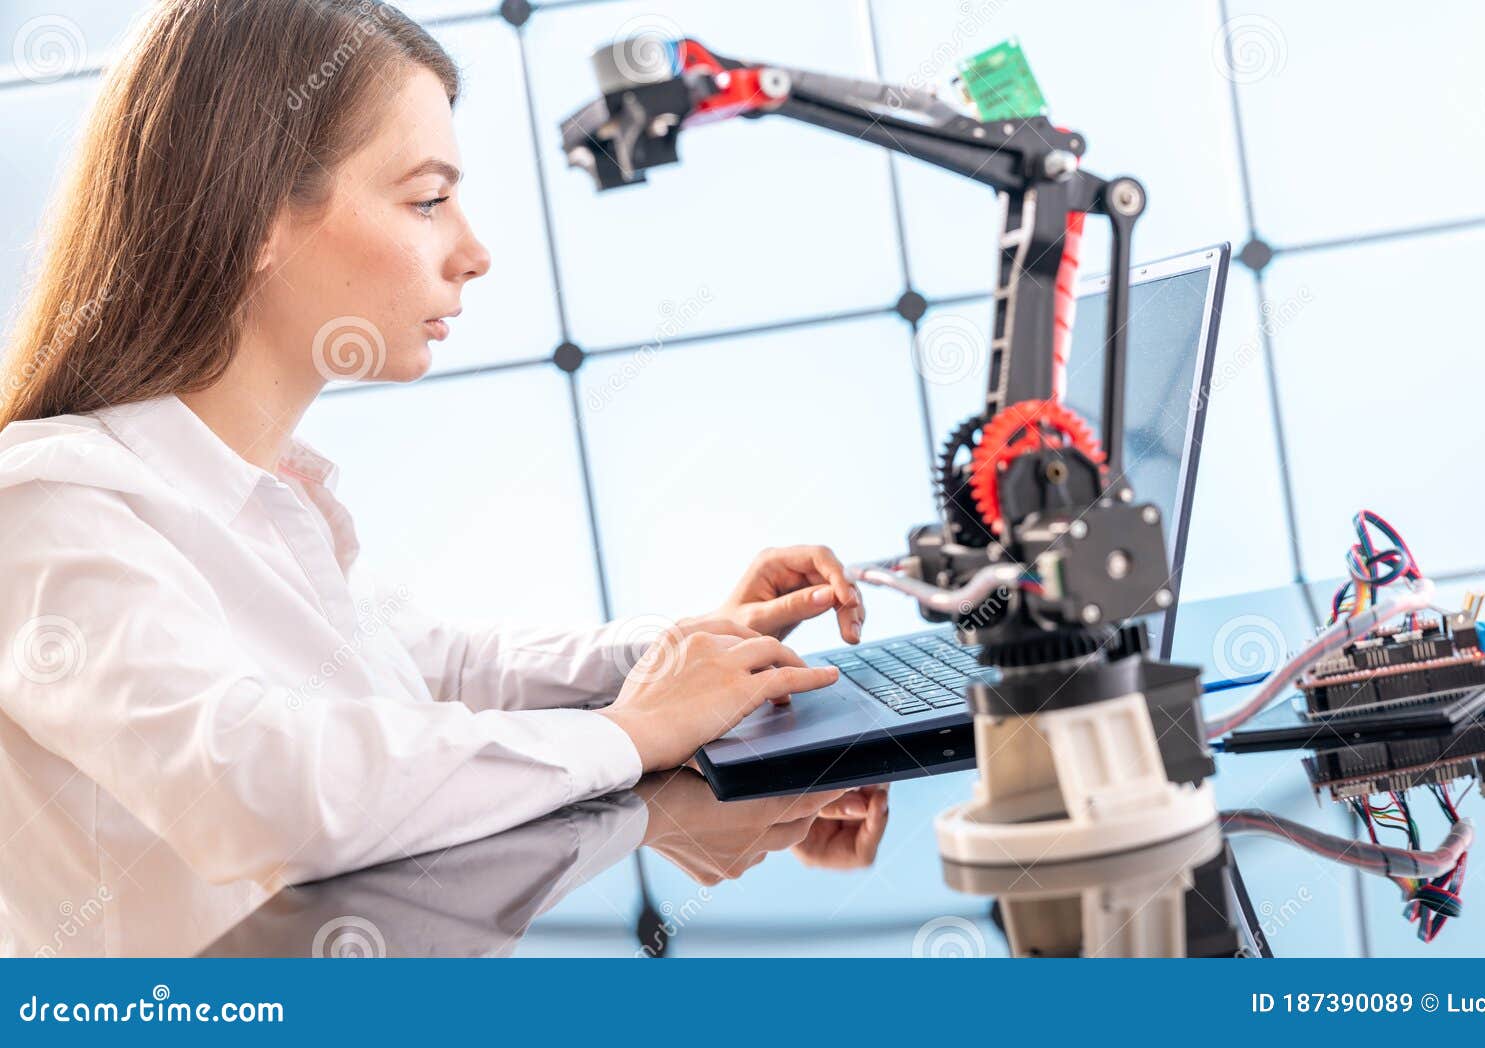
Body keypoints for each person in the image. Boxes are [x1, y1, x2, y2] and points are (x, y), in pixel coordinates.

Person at [0, 0, 868, 953]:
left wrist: (682, 653)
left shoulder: (269, 498)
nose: (474, 253)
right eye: (425, 200)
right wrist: (632, 733)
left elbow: (436, 673)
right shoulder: (48, 502)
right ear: (254, 216)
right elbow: (259, 788)